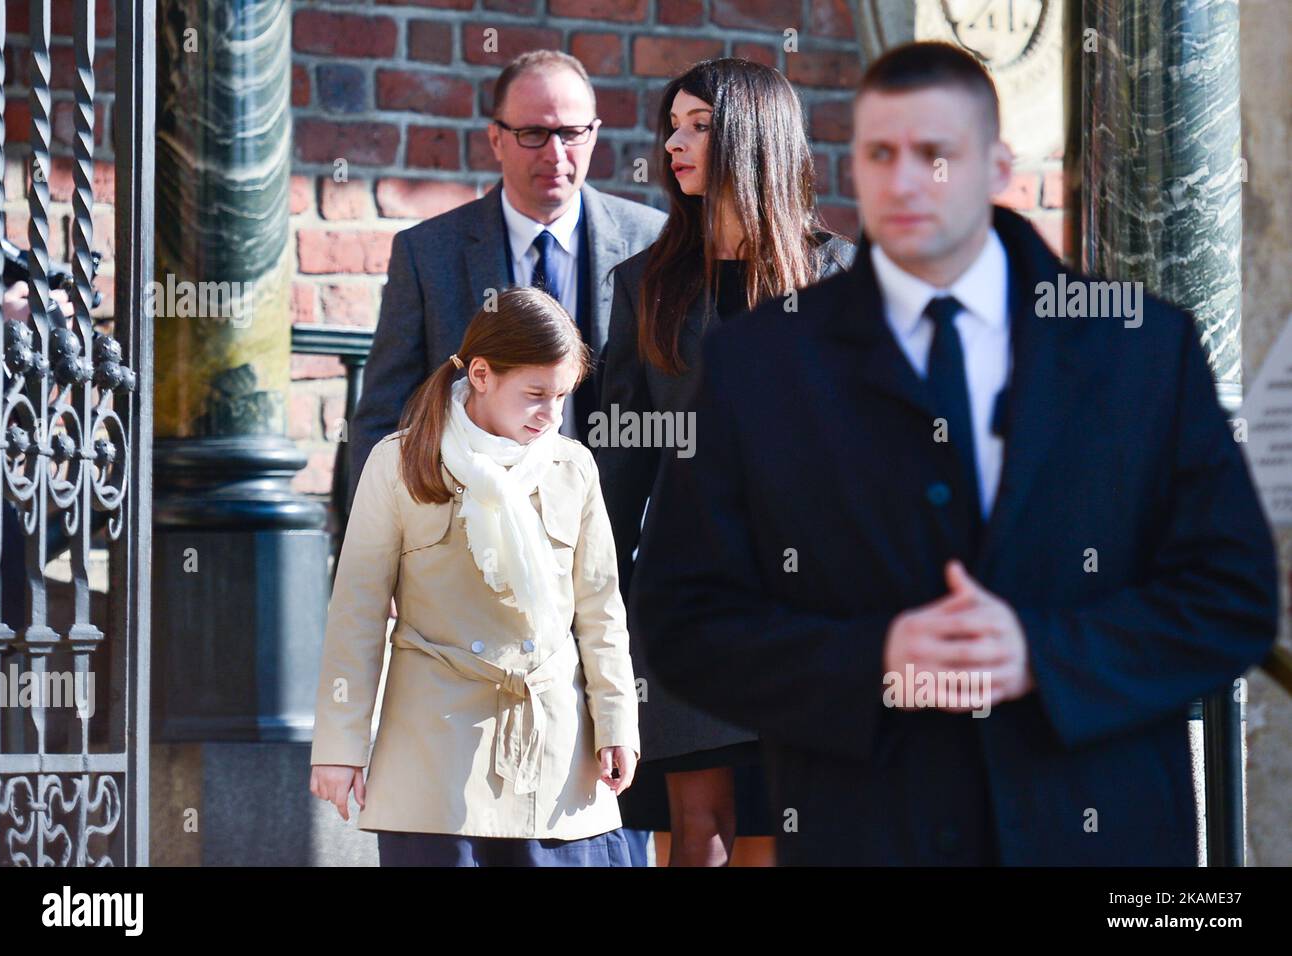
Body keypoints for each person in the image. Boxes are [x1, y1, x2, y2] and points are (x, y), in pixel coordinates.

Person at [628, 41, 1279, 865]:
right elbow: (687, 613)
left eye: (936, 153)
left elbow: (1232, 600)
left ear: (997, 163)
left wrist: (1044, 656)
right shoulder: (765, 364)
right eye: (880, 154)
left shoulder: (1142, 351)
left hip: (1096, 828)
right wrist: (874, 659)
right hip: (867, 821)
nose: (906, 180)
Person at [596, 58, 854, 867]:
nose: (674, 143)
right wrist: (588, 608)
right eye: (672, 124)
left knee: (779, 834)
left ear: (755, 134)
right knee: (696, 834)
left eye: (698, 125)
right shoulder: (648, 285)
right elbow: (616, 467)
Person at [310, 287, 641, 866]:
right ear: (482, 374)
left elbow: (600, 611)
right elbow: (356, 614)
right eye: (535, 394)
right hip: (434, 755)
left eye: (562, 396)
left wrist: (616, 721)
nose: (550, 415)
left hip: (555, 747)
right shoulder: (399, 461)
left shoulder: (572, 467)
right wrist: (339, 747)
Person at [348, 49, 667, 509]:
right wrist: (379, 542)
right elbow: (385, 416)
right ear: (496, 139)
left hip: (613, 531)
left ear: (594, 135)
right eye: (534, 133)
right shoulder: (427, 253)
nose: (556, 154)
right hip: (470, 528)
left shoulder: (652, 241)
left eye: (572, 133)